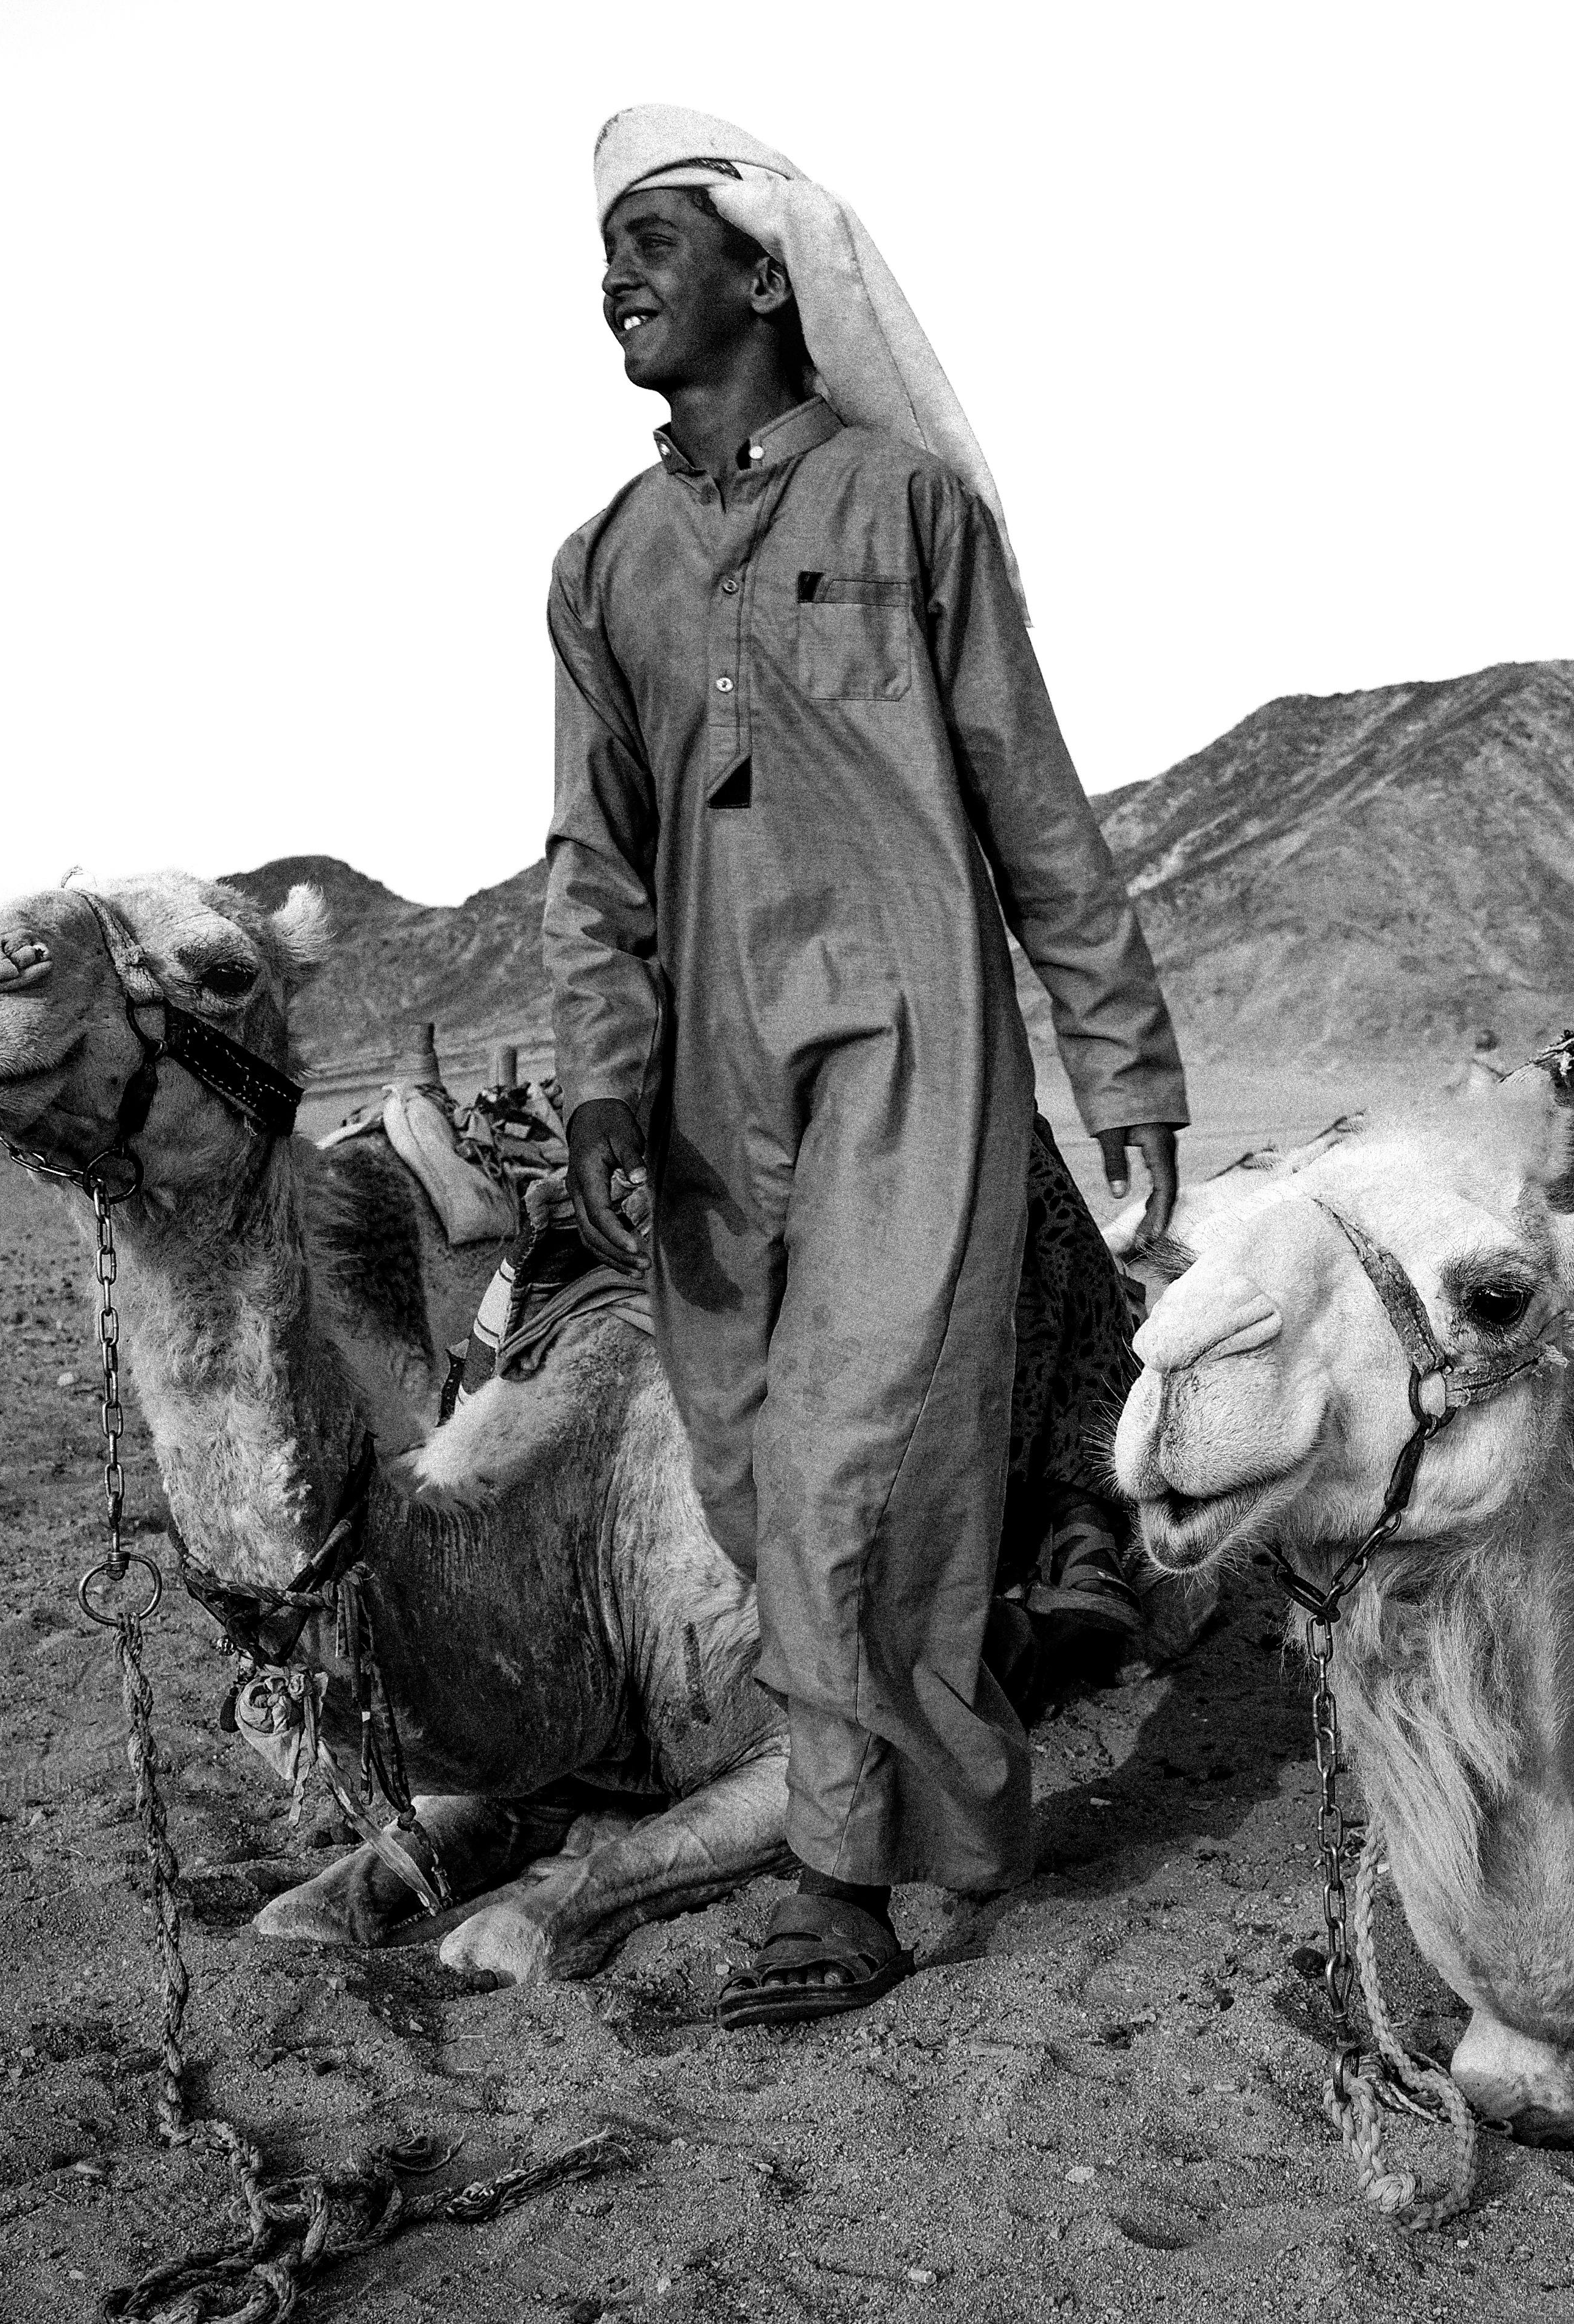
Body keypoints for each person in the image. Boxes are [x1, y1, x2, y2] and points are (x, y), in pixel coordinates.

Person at [543, 105, 1187, 2026]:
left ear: (765, 271)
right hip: (696, 1099)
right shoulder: (603, 565)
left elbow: (1031, 802)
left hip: (913, 1044)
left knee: (849, 1468)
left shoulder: (908, 507)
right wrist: (596, 1080)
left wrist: (1119, 1057)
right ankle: (936, 1803)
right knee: (756, 1484)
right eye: (607, 249)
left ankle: (838, 1876)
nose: (617, 275)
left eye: (658, 238)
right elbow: (593, 857)